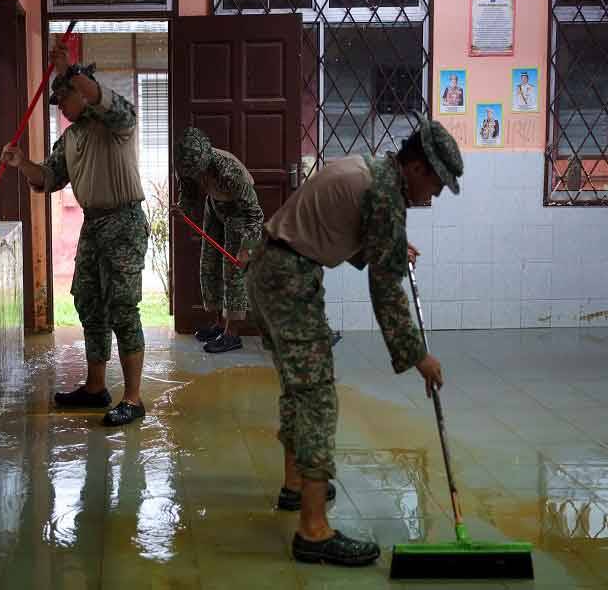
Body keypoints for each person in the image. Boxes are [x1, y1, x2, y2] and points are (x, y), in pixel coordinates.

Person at [245, 115, 461, 567]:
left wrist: (389, 244)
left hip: (269, 268)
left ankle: (296, 486)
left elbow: (344, 229)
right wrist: (417, 356)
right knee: (318, 396)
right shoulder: (386, 194)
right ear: (418, 167)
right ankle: (314, 531)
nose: (436, 195)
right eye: (438, 184)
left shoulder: (371, 170)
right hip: (288, 279)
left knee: (299, 387)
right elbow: (386, 291)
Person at [1, 41, 148, 427]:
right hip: (94, 224)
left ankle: (133, 399)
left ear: (82, 93)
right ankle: (95, 387)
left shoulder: (115, 122)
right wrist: (22, 164)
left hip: (124, 221)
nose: (60, 106)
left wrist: (71, 72)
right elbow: (48, 179)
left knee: (123, 307)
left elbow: (109, 103)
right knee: (89, 302)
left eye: (65, 97)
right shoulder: (70, 138)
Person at [174, 127, 264, 353]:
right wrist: (182, 209)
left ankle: (232, 334)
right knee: (208, 264)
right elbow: (188, 194)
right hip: (214, 205)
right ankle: (218, 324)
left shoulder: (230, 172)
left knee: (233, 271)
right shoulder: (185, 164)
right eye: (189, 170)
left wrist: (247, 250)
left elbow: (255, 215)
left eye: (196, 169)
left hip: (239, 211)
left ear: (206, 159)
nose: (192, 174)